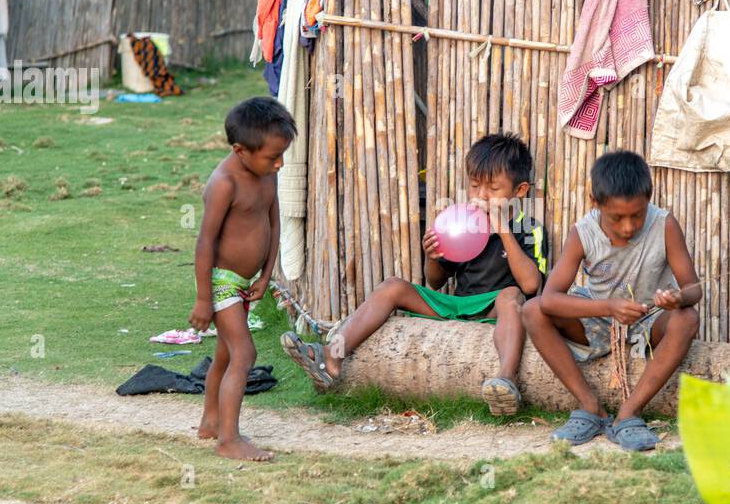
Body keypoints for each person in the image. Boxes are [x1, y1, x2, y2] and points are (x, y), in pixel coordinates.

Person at [282, 133, 548, 416]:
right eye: (474, 186)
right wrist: (432, 256)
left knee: (511, 296)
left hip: (495, 308)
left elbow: (531, 285)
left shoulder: (528, 228)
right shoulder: (461, 223)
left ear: (519, 191)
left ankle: (506, 380)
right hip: (456, 305)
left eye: (493, 188)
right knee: (392, 286)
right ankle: (331, 356)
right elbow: (436, 280)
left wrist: (502, 229)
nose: (481, 196)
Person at [522, 150, 701, 451]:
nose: (629, 227)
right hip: (598, 318)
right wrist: (609, 307)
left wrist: (677, 298)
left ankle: (628, 414)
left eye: (638, 215)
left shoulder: (664, 225)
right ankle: (590, 407)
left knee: (688, 317)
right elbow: (549, 299)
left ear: (649, 198)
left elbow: (694, 289)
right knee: (530, 310)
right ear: (595, 202)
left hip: (649, 319)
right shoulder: (583, 232)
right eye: (617, 217)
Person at [189, 96, 296, 462]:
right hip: (222, 280)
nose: (280, 163)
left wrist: (266, 276)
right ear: (240, 150)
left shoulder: (266, 176)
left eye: (282, 155)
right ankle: (229, 441)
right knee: (244, 353)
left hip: (247, 282)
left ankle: (211, 421)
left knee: (225, 354)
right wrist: (204, 299)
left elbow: (274, 223)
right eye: (272, 157)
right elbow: (205, 242)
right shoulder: (223, 183)